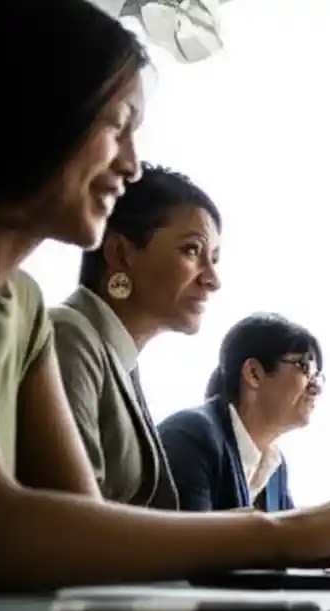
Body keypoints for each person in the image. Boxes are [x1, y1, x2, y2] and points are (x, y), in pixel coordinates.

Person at [0, 0, 330, 592]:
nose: (132, 165)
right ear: (34, 106)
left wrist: (281, 538)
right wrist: (275, 534)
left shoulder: (27, 308)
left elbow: (81, 539)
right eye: (118, 127)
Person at [52, 163, 221, 508]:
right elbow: (79, 526)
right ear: (119, 253)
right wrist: (263, 533)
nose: (213, 279)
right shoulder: (69, 337)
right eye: (192, 250)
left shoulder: (117, 355)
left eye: (214, 259)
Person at [160, 314, 320, 512]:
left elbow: (288, 541)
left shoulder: (275, 466)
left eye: (317, 375)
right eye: (305, 367)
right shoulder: (191, 436)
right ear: (254, 374)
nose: (316, 387)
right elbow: (191, 541)